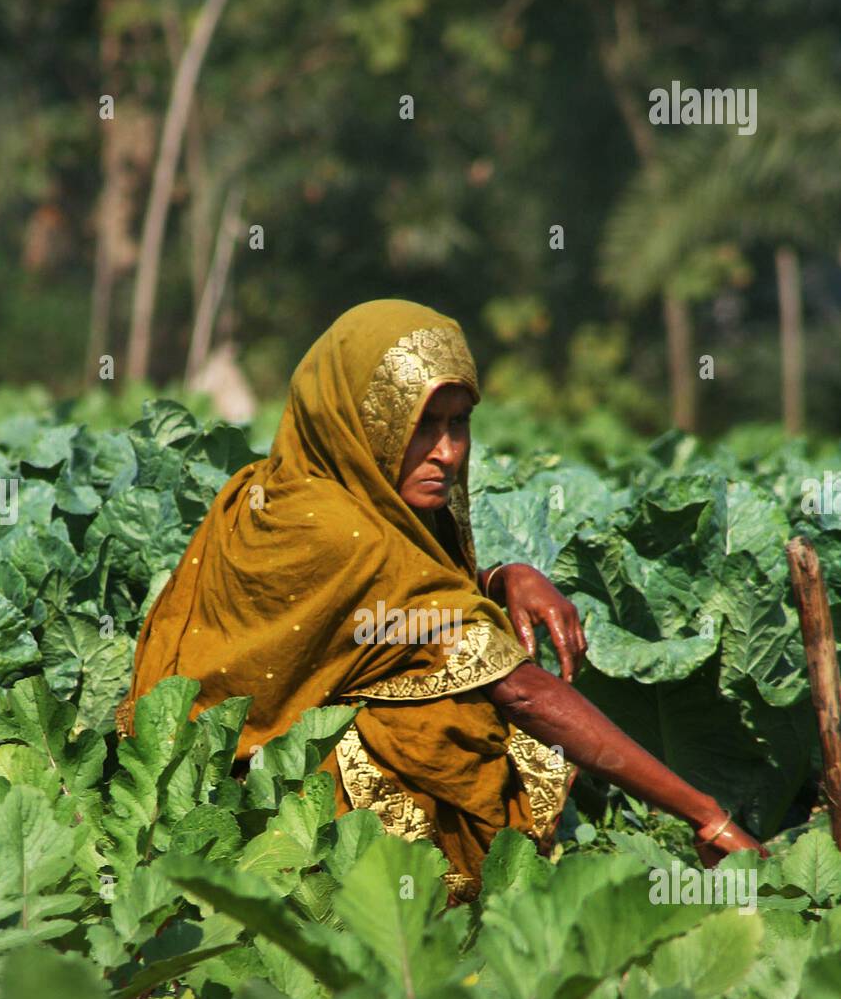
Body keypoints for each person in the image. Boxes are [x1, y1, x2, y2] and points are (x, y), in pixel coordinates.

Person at [115, 298, 766, 899]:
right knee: (451, 712)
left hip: (193, 810)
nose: (449, 453)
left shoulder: (271, 488)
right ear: (355, 421)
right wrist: (703, 816)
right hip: (292, 826)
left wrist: (498, 578)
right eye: (422, 425)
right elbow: (522, 692)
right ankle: (414, 896)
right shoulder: (347, 537)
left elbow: (406, 611)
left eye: (459, 424)